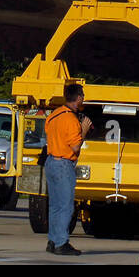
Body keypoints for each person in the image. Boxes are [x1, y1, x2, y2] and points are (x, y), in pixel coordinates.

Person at [44, 83, 91, 257]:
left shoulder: (55, 115)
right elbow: (75, 147)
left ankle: (53, 240)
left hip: (51, 162)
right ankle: (61, 243)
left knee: (55, 205)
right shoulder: (71, 119)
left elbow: (48, 133)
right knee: (65, 206)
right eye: (83, 96)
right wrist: (83, 130)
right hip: (64, 164)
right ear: (78, 97)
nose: (83, 98)